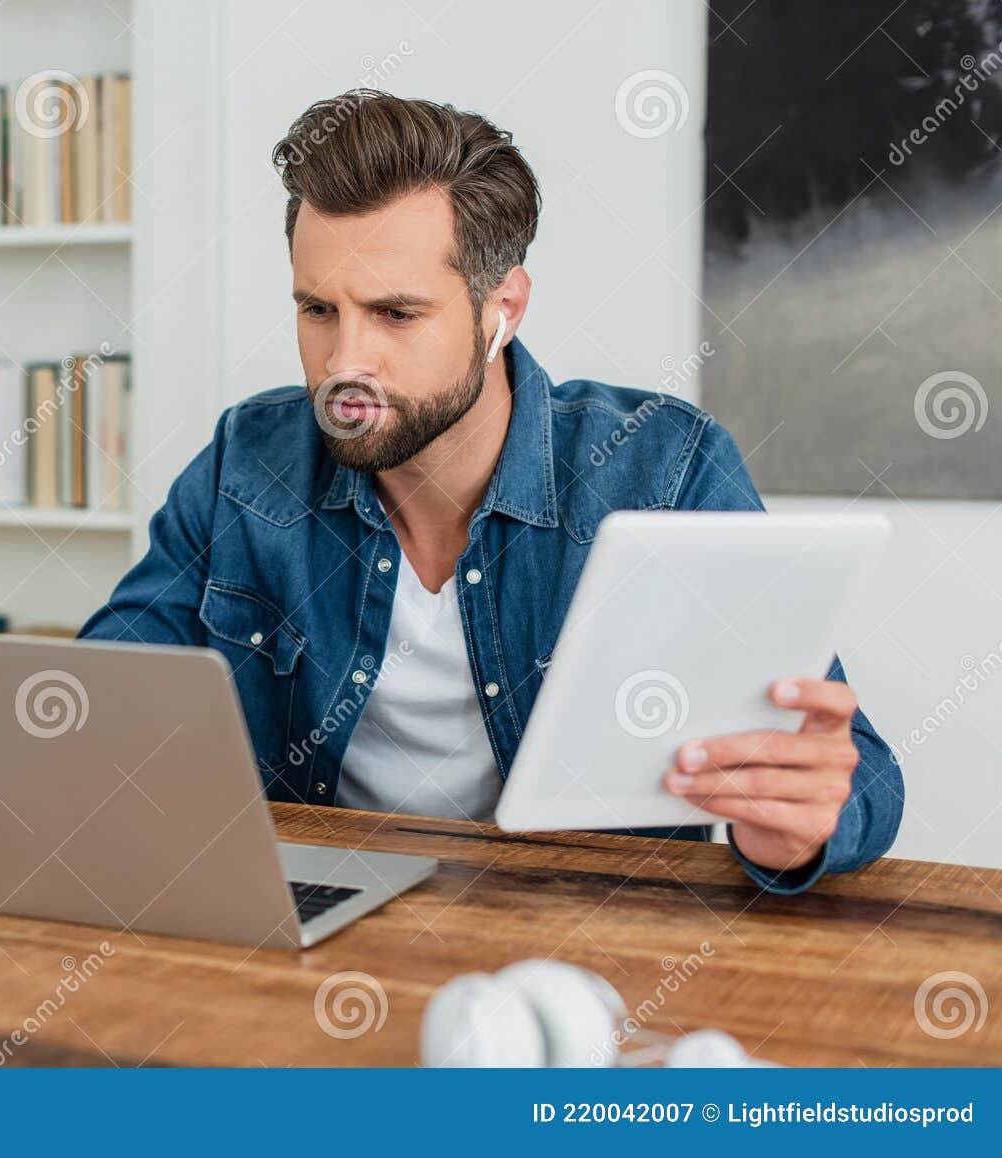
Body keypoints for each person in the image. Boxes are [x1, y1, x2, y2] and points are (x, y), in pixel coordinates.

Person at [79, 89, 902, 894]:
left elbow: (855, 773)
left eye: (396, 314)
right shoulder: (246, 461)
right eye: (317, 308)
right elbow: (101, 698)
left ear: (501, 307)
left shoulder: (663, 470)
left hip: (582, 954)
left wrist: (799, 827)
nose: (343, 363)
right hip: (311, 933)